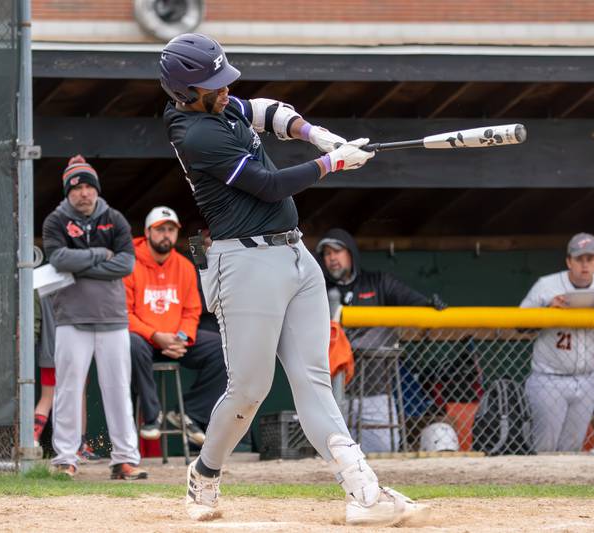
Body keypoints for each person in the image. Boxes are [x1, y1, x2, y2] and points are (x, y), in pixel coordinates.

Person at [160, 33, 428, 526]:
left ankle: (363, 492)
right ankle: (204, 474)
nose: (225, 91)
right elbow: (268, 186)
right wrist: (332, 163)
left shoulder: (221, 106)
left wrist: (316, 134)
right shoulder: (194, 133)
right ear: (185, 92)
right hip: (243, 265)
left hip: (294, 254)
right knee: (249, 391)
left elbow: (264, 109)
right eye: (213, 85)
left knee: (313, 381)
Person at [42, 154, 146, 480]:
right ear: (67, 192)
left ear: (96, 189)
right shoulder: (55, 221)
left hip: (112, 317)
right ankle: (65, 458)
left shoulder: (114, 219)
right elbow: (58, 259)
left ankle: (125, 459)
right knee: (68, 390)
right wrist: (100, 255)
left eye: (88, 186)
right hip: (71, 317)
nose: (83, 193)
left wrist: (81, 263)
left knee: (117, 389)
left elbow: (126, 264)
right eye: (77, 188)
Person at [316, 228, 447, 452]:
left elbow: (413, 302)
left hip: (375, 393)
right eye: (327, 254)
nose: (332, 258)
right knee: (333, 456)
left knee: (384, 453)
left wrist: (429, 305)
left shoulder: (377, 282)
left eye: (337, 251)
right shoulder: (318, 289)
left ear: (351, 253)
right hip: (331, 392)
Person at [124, 206, 227, 446]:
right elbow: (123, 314)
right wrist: (155, 335)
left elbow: (192, 311)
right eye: (160, 230)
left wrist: (182, 337)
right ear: (148, 233)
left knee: (223, 348)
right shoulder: (129, 264)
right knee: (131, 342)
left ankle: (189, 412)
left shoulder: (184, 266)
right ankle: (151, 416)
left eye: (171, 230)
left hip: (175, 339)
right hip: (145, 338)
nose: (166, 235)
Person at [520, 233, 594, 452]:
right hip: (549, 378)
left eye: (590, 259)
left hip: (587, 380)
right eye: (579, 259)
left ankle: (564, 488)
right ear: (569, 261)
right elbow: (519, 325)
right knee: (543, 449)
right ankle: (536, 487)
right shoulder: (546, 285)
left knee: (571, 451)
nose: (585, 265)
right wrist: (547, 311)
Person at [33, 291, 101, 462]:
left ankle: (30, 441)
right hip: (74, 351)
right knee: (77, 396)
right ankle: (79, 447)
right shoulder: (78, 279)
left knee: (47, 399)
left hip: (50, 353)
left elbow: (35, 323)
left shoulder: (41, 283)